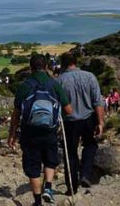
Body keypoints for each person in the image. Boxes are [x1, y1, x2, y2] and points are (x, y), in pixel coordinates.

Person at [8, 54, 73, 205]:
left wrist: (12, 134)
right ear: (46, 67)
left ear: (31, 68)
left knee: (33, 166)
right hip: (50, 131)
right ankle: (48, 187)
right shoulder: (54, 84)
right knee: (50, 159)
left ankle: (37, 201)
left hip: (29, 132)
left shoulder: (24, 86)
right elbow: (69, 110)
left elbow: (16, 114)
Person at [57, 52, 105, 194]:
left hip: (69, 121)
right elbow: (98, 102)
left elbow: (56, 105)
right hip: (88, 118)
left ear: (63, 64)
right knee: (90, 145)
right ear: (75, 62)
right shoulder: (90, 77)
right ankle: (85, 174)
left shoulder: (59, 81)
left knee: (70, 153)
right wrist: (100, 122)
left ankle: (72, 187)